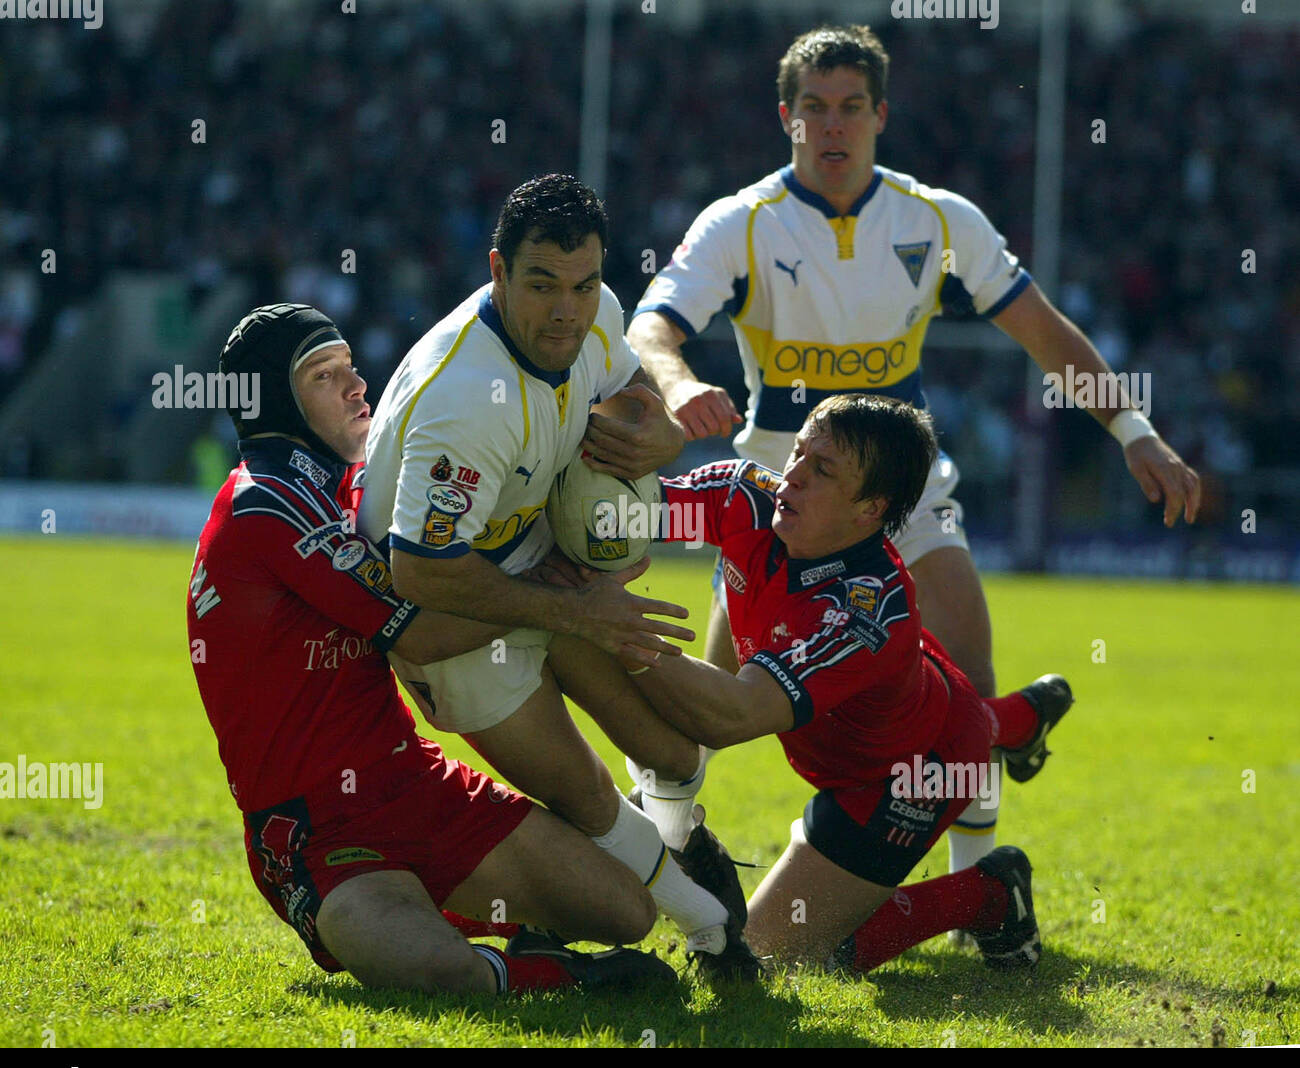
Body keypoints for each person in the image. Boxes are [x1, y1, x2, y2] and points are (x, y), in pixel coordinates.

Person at [626, 24, 1198, 889]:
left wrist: (1135, 431)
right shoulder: (740, 225)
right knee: (701, 706)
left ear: (880, 115)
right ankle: (664, 866)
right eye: (814, 108)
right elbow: (650, 326)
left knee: (966, 683)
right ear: (786, 117)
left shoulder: (937, 221)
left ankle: (978, 878)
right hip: (783, 504)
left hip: (906, 499)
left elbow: (1043, 332)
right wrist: (674, 386)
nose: (833, 127)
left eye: (851, 107)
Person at [187, 302, 676, 995]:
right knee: (436, 967)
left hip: (416, 788)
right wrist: (568, 605)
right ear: (273, 402)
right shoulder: (267, 502)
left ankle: (465, 919)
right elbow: (419, 628)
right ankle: (544, 972)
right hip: (318, 831)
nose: (357, 386)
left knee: (626, 908)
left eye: (352, 368)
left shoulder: (346, 491)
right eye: (326, 376)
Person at [357, 175, 759, 979]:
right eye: (542, 286)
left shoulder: (598, 316)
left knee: (675, 750)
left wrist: (663, 436)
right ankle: (714, 934)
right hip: (448, 623)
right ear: (499, 271)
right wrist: (577, 608)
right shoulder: (465, 398)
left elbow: (630, 393)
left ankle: (660, 852)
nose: (567, 311)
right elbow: (422, 570)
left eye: (583, 285)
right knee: (591, 801)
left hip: (543, 563)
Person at [625, 394, 1073, 971]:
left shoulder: (865, 612)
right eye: (797, 453)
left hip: (905, 774)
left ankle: (989, 892)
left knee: (780, 957)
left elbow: (733, 716)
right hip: (906, 695)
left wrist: (618, 631)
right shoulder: (748, 495)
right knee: (959, 713)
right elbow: (636, 511)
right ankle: (1021, 717)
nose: (791, 478)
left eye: (822, 470)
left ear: (870, 509)